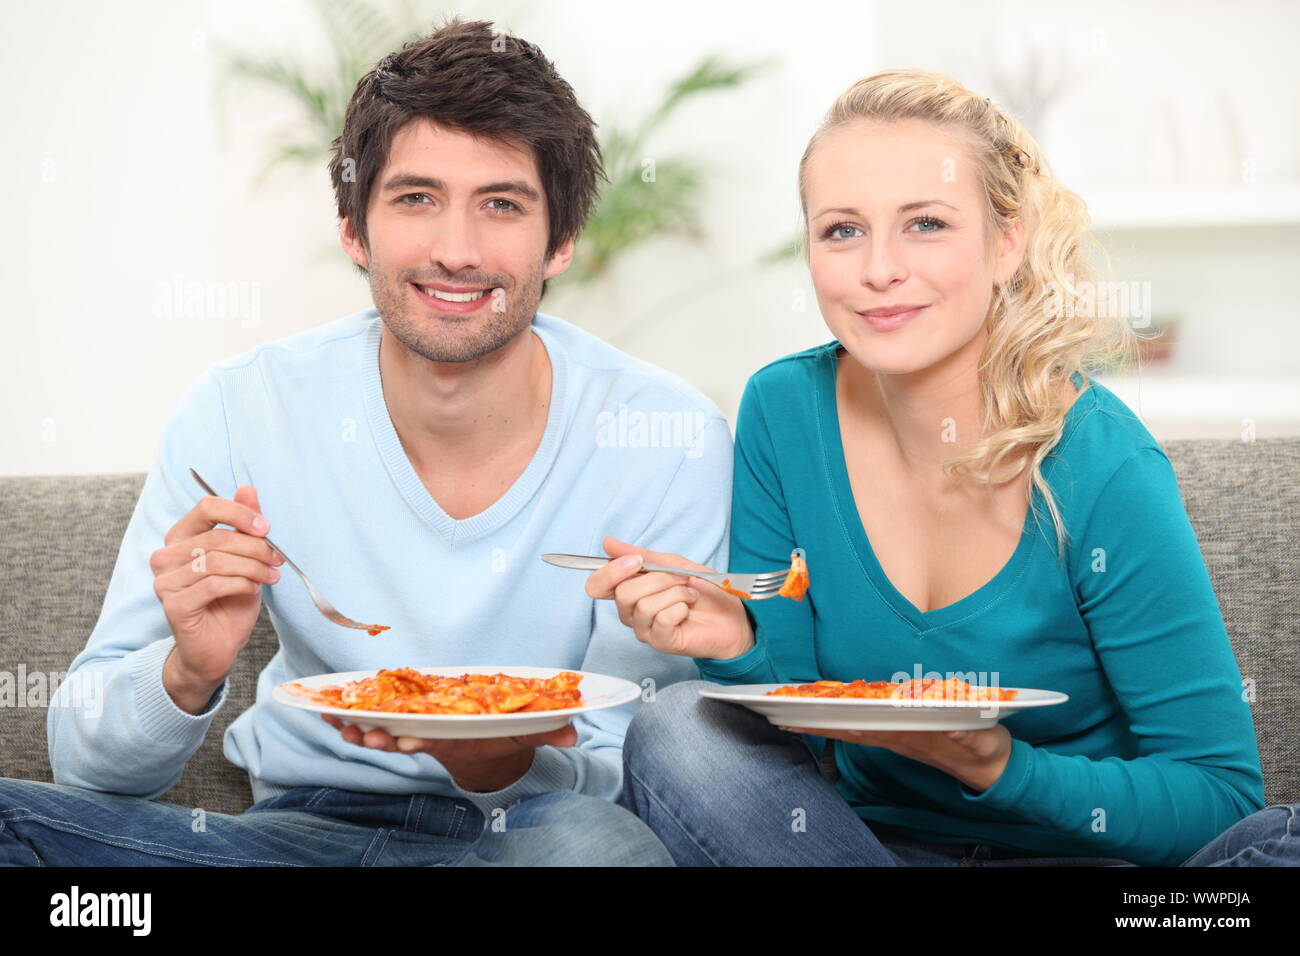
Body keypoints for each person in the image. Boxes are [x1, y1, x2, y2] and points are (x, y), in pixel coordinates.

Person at [0, 19, 732, 867]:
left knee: (595, 855)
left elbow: (646, 775)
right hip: (288, 837)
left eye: (501, 204)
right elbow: (83, 771)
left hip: (529, 833)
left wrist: (503, 763)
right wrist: (187, 670)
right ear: (355, 228)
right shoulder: (243, 409)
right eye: (416, 198)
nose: (456, 252)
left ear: (560, 241)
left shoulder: (666, 435)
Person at [587, 69, 1297, 867]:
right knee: (681, 727)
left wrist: (998, 768)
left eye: (925, 224)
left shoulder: (1100, 460)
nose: (879, 269)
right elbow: (797, 726)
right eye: (842, 231)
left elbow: (1220, 798)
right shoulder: (784, 410)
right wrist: (732, 640)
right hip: (861, 852)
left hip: (1070, 860)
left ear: (1005, 244)